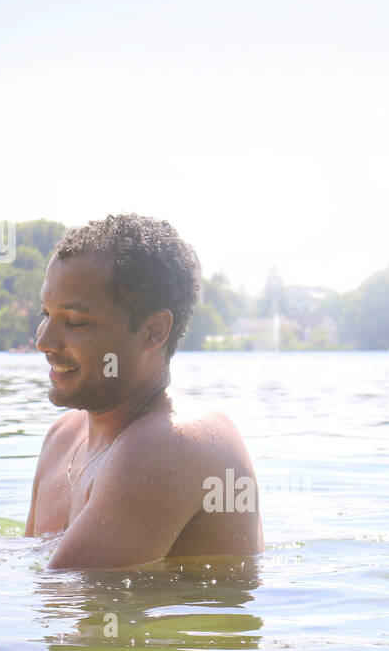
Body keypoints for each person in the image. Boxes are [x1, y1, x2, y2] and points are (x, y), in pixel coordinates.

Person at [25, 215, 263, 570]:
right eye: (46, 313)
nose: (43, 341)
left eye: (74, 322)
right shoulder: (63, 437)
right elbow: (26, 564)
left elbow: (59, 595)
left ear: (153, 331)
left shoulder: (173, 443)